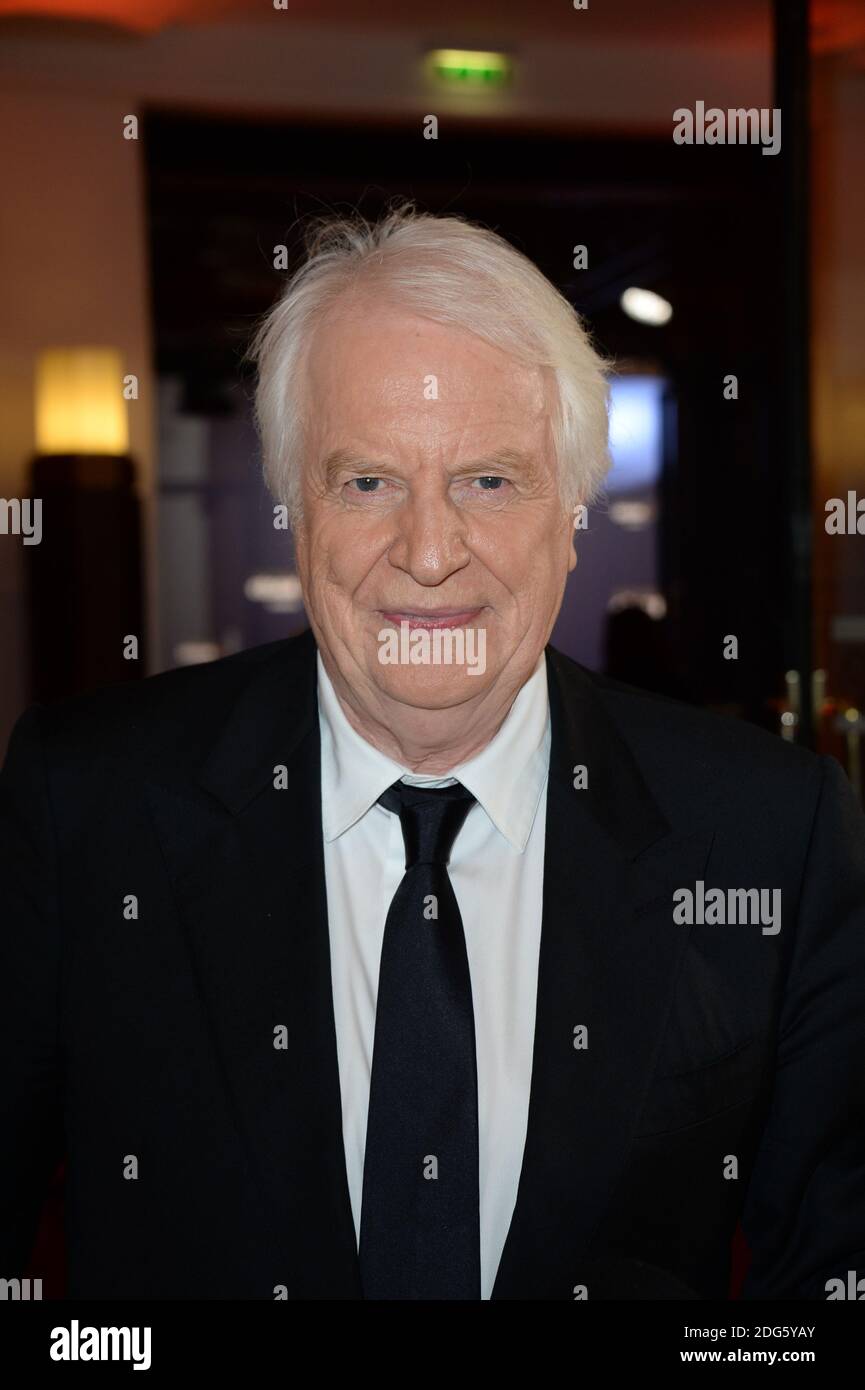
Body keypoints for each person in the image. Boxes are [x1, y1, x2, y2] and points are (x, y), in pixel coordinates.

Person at [2, 205, 864, 1300]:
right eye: (367, 481)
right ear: (292, 508)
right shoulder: (86, 807)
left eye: (487, 480)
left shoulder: (767, 835)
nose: (426, 552)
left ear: (572, 513)